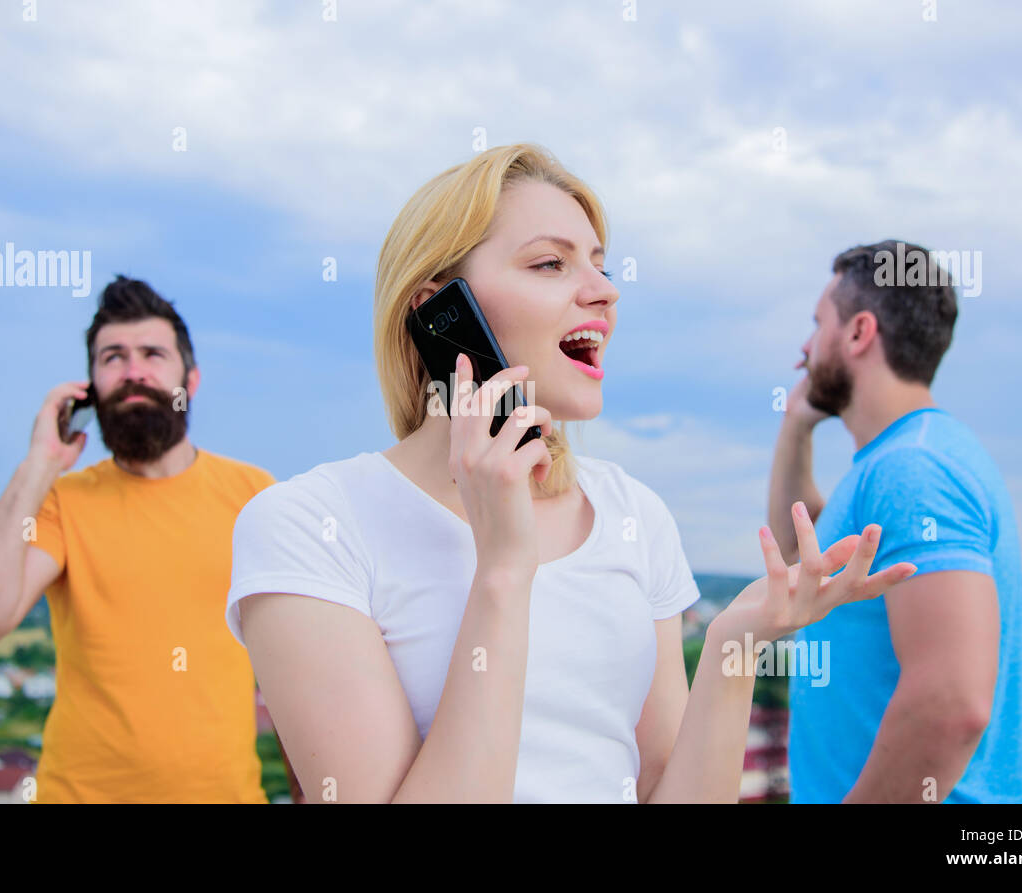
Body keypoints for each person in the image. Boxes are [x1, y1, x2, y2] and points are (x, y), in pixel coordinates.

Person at [226, 144, 915, 803]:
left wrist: (736, 647)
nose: (605, 294)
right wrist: (503, 567)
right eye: (550, 264)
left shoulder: (633, 514)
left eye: (600, 266)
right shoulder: (309, 527)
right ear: (438, 312)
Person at [0, 276, 300, 803]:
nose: (133, 371)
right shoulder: (61, 501)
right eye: (113, 358)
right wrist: (39, 465)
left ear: (191, 380)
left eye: (152, 354)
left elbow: (292, 670)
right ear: (89, 387)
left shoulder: (255, 495)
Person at [769, 240, 1022, 803]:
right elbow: (800, 556)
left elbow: (952, 704)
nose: (806, 347)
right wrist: (796, 424)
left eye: (819, 325)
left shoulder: (913, 469)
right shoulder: (901, 459)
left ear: (860, 332)